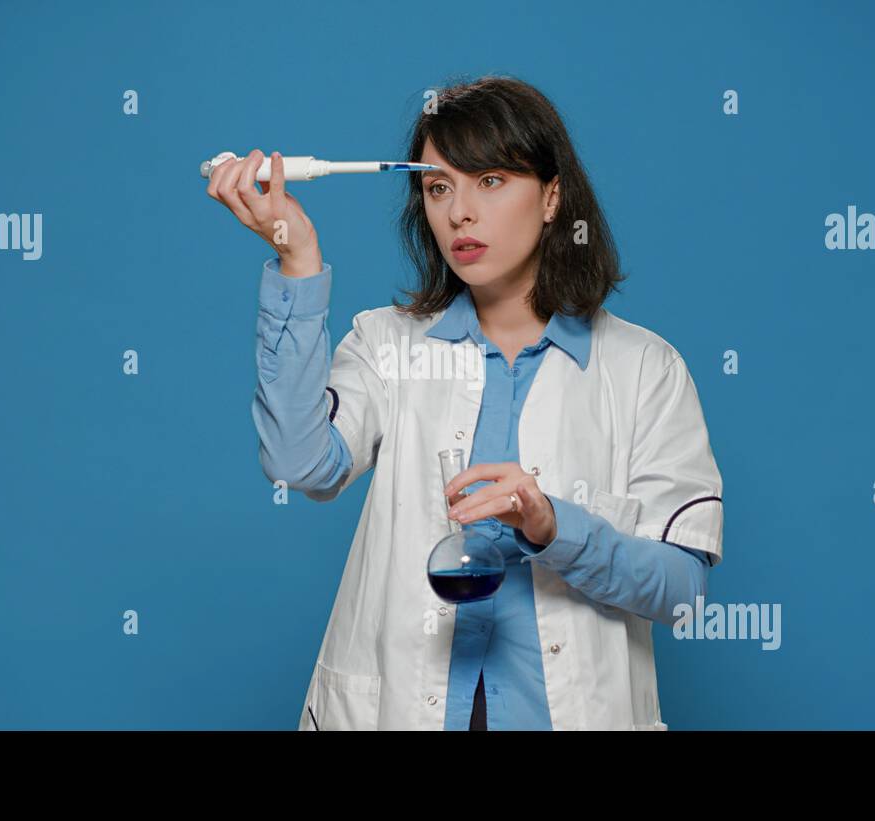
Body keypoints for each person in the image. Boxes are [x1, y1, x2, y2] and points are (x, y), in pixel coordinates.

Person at [208, 75, 724, 730]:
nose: (460, 213)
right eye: (439, 186)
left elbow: (682, 589)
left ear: (552, 196)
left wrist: (551, 525)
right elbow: (298, 463)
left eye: (491, 180)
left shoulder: (645, 369)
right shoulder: (385, 342)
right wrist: (296, 259)